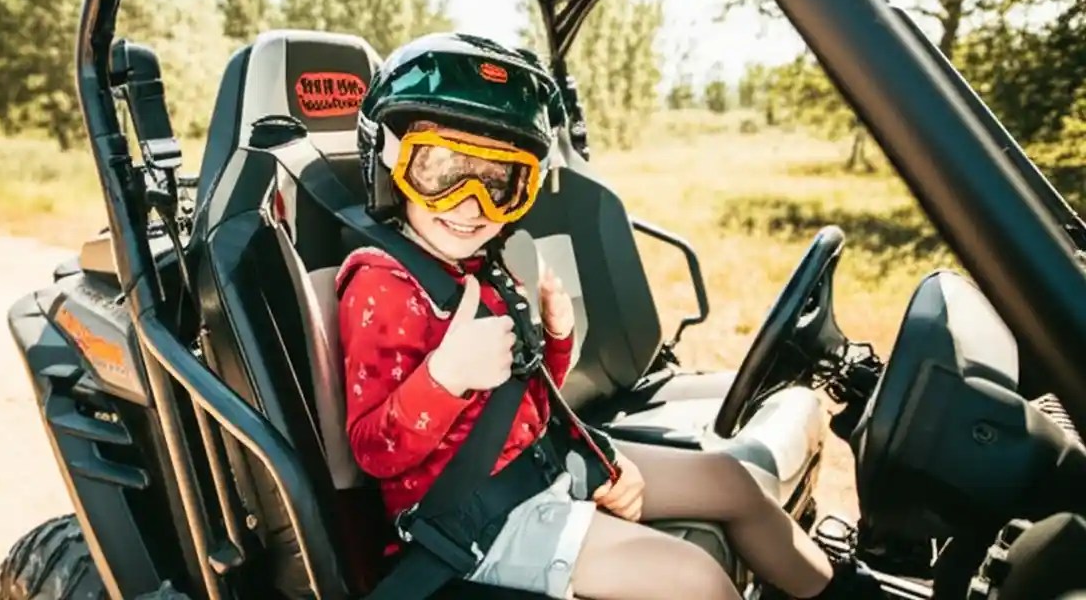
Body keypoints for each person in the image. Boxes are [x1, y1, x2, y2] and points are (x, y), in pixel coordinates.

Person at [336, 32, 884, 600]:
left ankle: (845, 594)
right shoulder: (382, 283)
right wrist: (445, 378)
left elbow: (532, 391)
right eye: (442, 172)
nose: (472, 203)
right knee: (692, 579)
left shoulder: (481, 262)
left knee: (732, 481)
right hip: (477, 519)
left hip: (543, 458)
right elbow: (377, 453)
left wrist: (556, 339)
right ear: (391, 161)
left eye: (502, 182)